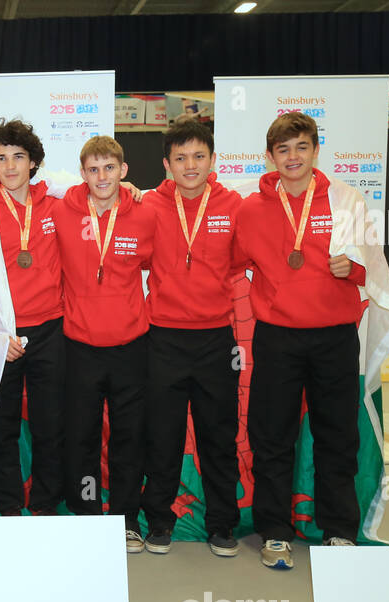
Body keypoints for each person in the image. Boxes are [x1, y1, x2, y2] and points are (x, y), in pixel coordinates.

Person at [233, 111, 378, 569]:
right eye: (283, 149)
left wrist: (351, 269)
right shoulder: (252, 209)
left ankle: (339, 530)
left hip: (335, 337)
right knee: (271, 436)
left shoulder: (345, 199)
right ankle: (274, 530)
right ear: (270, 157)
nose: (292, 157)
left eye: (301, 147)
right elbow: (231, 261)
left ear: (316, 150)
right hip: (277, 338)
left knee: (337, 436)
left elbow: (371, 265)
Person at [138, 116, 243, 557]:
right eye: (180, 158)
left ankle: (222, 525)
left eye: (199, 156)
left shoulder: (235, 205)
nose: (190, 165)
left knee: (218, 437)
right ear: (167, 164)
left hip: (216, 338)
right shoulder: (146, 206)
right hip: (162, 338)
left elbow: (244, 262)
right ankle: (159, 522)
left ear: (213, 160)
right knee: (162, 436)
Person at [51, 135, 156, 549]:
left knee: (129, 436)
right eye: (93, 169)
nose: (102, 177)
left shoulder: (144, 213)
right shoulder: (62, 210)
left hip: (131, 345)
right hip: (79, 345)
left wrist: (138, 195)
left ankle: (126, 518)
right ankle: (87, 512)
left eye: (109, 168)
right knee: (82, 436)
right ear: (82, 173)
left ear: (124, 171)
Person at [0, 119, 66, 517]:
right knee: (2, 426)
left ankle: (45, 503)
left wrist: (130, 189)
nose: (9, 166)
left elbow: (103, 191)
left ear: (34, 162)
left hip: (50, 330)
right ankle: (7, 506)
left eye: (17, 157)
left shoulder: (58, 205)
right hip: (1, 336)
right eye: (1, 158)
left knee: (50, 424)